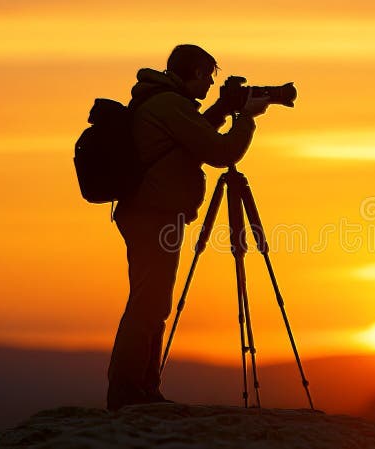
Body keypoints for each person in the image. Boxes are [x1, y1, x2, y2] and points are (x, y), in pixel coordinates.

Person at [107, 44, 269, 410]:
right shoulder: (169, 105)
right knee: (148, 305)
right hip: (154, 216)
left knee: (153, 303)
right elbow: (221, 153)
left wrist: (223, 109)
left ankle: (143, 391)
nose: (211, 84)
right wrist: (246, 117)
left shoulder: (164, 103)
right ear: (195, 72)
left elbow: (190, 140)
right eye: (208, 77)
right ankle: (128, 394)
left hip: (151, 213)